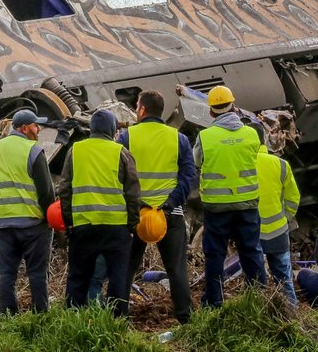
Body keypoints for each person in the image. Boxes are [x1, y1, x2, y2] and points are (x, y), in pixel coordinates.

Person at [0, 109, 57, 314]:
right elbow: (46, 191)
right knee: (37, 273)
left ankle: (7, 314)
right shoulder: (34, 151)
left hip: (2, 223)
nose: (39, 129)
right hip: (33, 224)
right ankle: (40, 315)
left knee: (7, 272)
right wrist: (49, 218)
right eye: (36, 125)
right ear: (24, 128)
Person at [119, 90, 195, 323]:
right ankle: (186, 319)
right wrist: (170, 203)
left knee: (125, 270)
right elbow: (189, 175)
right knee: (177, 270)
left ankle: (118, 317)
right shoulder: (178, 138)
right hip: (170, 214)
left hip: (135, 215)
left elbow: (118, 175)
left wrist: (137, 204)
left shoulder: (126, 136)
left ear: (141, 109)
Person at [60, 109, 143, 317]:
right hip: (116, 228)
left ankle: (72, 321)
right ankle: (117, 324)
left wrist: (69, 223)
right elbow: (133, 193)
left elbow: (64, 190)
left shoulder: (75, 151)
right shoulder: (121, 153)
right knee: (118, 278)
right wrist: (132, 225)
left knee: (78, 277)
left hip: (83, 226)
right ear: (113, 129)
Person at [195, 85, 268, 308]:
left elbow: (197, 162)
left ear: (210, 112)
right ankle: (260, 298)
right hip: (247, 205)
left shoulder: (205, 136)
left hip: (217, 207)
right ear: (234, 107)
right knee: (251, 249)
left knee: (215, 255)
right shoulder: (251, 134)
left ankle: (215, 301)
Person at [256, 137, 300, 307]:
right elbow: (293, 197)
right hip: (278, 231)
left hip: (252, 232)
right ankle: (292, 314)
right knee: (284, 279)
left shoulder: (243, 164)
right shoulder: (281, 164)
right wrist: (286, 218)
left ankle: (258, 316)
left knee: (256, 283)